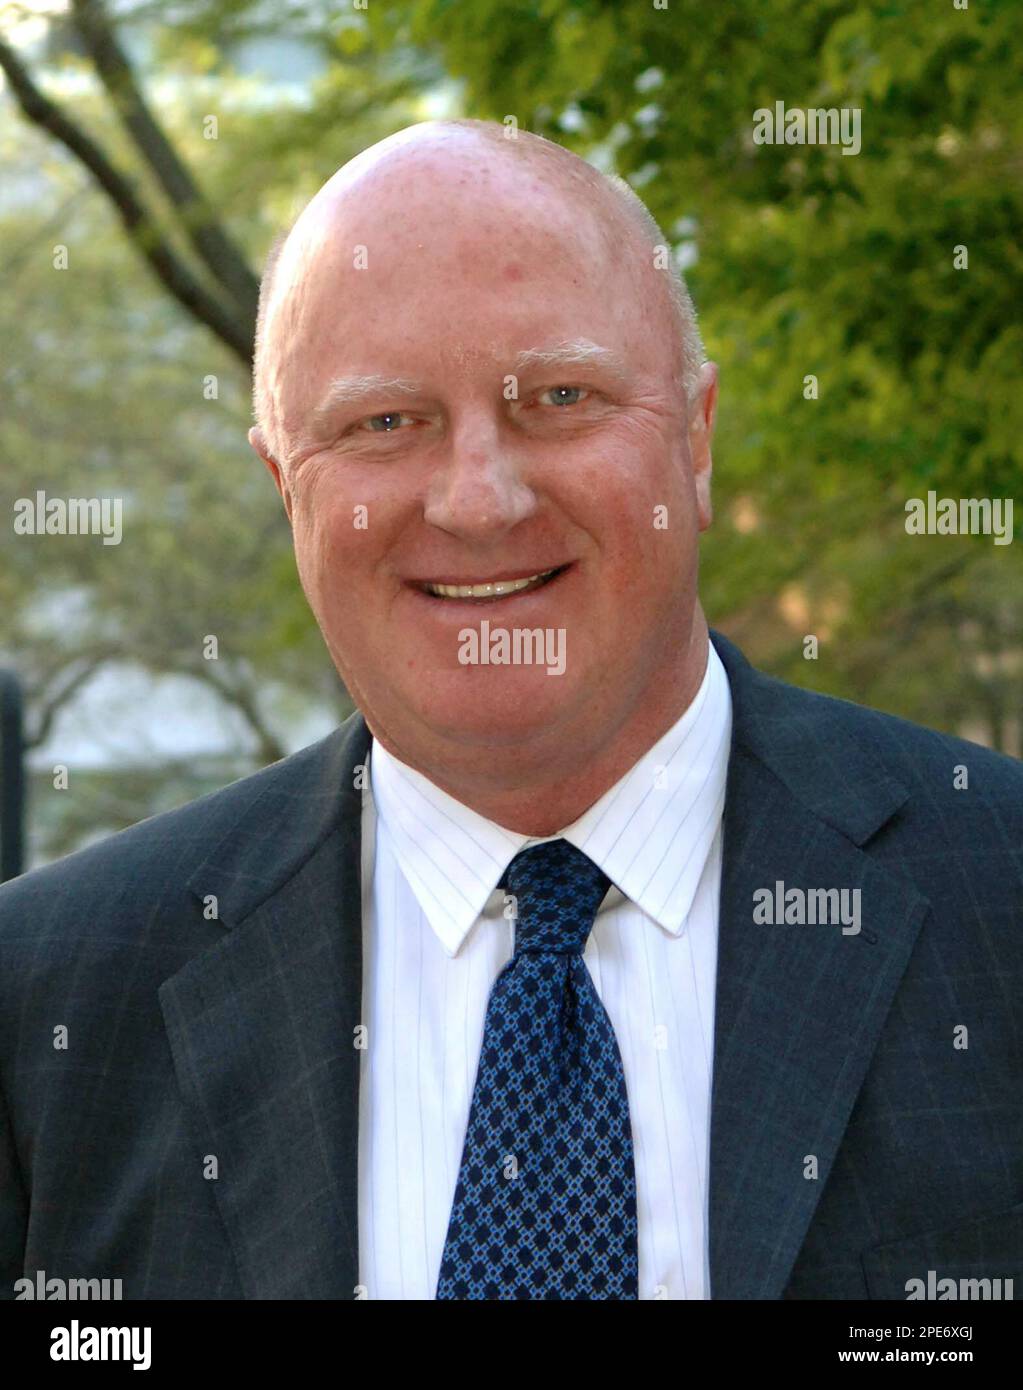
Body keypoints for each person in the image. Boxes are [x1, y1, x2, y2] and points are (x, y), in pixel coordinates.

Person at [1, 120, 1020, 1301]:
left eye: (558, 397)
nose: (479, 499)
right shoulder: (50, 1001)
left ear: (696, 439)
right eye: (385, 422)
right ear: (288, 486)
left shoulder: (997, 899)